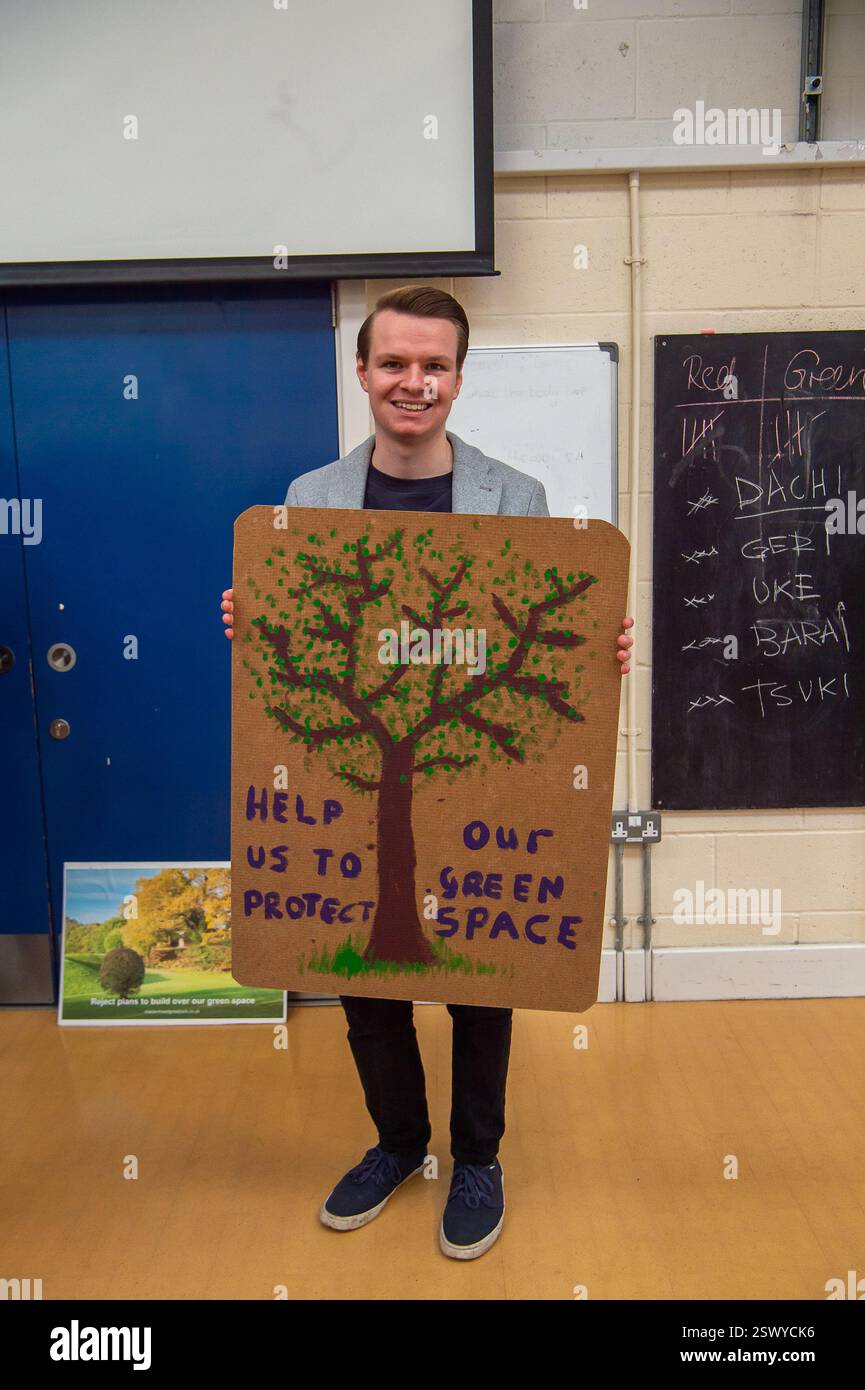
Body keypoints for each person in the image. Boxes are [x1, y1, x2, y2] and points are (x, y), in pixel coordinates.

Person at [221, 285, 634, 1260]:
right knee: (363, 977)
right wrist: (250, 625)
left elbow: (537, 641)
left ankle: (477, 1157)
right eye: (395, 363)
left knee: (484, 975)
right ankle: (399, 1144)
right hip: (355, 775)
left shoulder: (515, 496)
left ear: (456, 376)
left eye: (434, 365)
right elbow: (294, 646)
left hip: (476, 767)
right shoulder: (310, 497)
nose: (415, 382)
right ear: (363, 372)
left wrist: (591, 645)